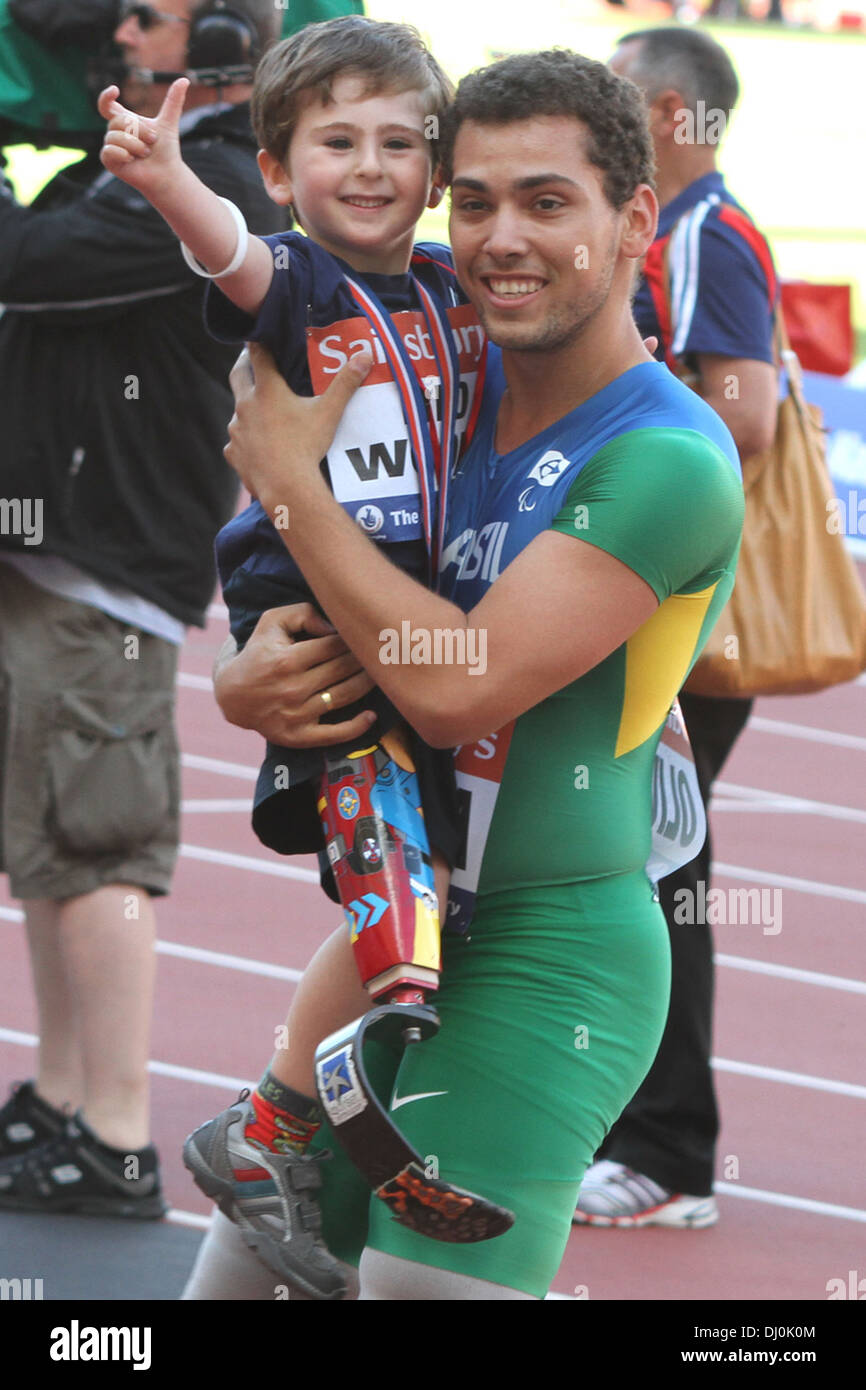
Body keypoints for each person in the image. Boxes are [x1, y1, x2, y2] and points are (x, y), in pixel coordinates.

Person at [184, 47, 745, 1301]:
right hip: (402, 942)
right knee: (230, 1287)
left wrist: (288, 481)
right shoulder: (438, 382)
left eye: (546, 202)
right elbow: (298, 565)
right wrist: (243, 674)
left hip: (552, 959)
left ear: (633, 218)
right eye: (475, 201)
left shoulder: (665, 459)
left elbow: (452, 686)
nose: (500, 239)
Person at [98, 16, 484, 1296]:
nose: (369, 168)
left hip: (418, 603)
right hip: (310, 602)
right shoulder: (302, 282)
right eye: (336, 143)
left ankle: (300, 1109)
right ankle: (383, 999)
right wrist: (168, 181)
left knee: (438, 841)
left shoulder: (449, 287)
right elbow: (228, 254)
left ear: (436, 170)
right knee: (388, 815)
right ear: (277, 168)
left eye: (398, 144)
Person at [0, 0, 283, 1216]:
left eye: (147, 16)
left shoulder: (205, 186)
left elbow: (25, 264)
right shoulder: (138, 171)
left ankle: (115, 1133)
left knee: (100, 842)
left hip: (112, 564)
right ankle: (62, 1095)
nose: (118, 34)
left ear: (215, 40)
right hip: (62, 554)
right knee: (50, 845)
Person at [573, 25, 778, 1230]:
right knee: (629, 858)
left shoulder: (704, 233)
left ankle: (668, 1151)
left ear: (664, 111)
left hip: (683, 607)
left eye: (609, 88)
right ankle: (632, 1126)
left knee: (658, 863)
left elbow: (743, 417)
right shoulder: (676, 227)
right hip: (652, 593)